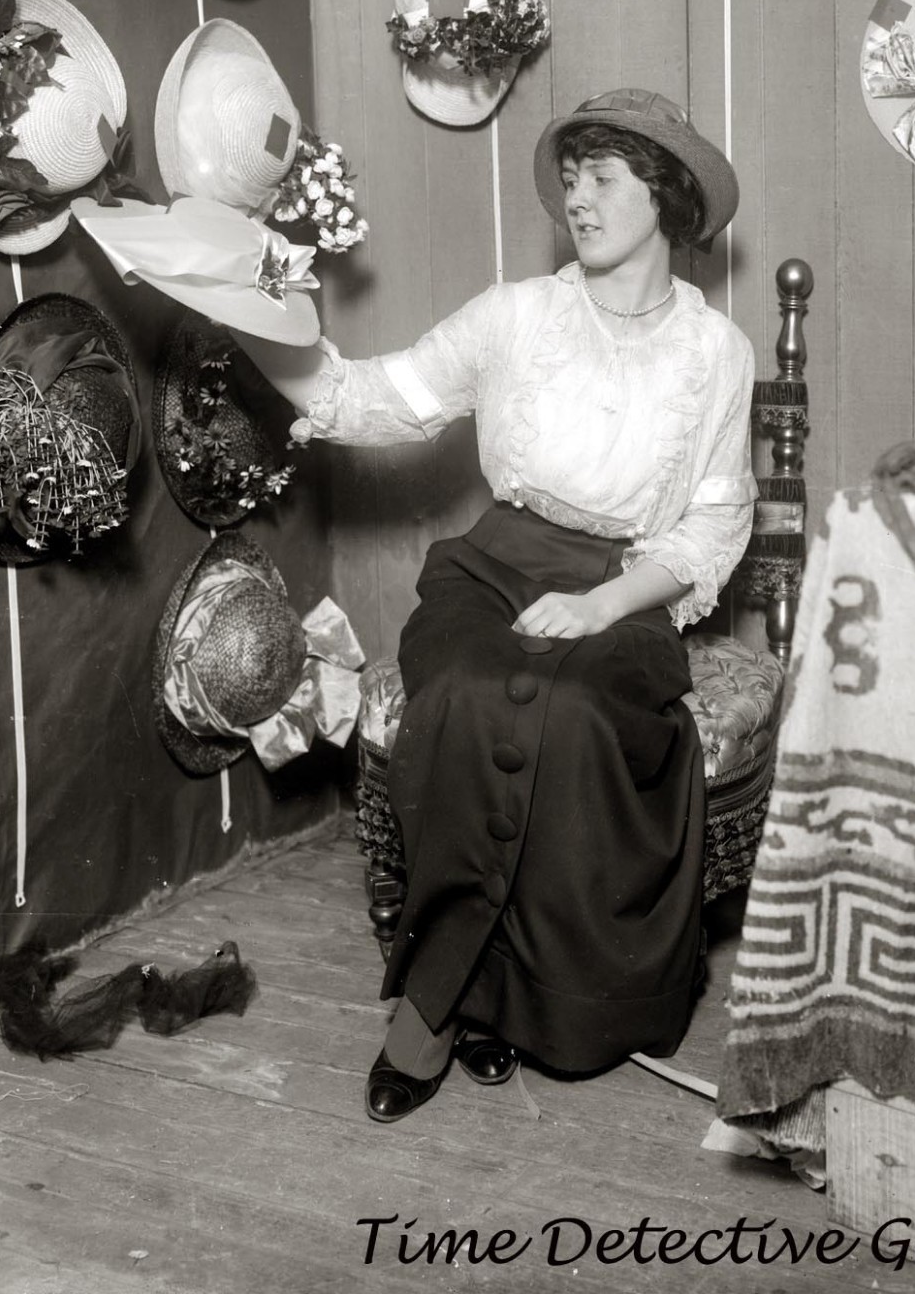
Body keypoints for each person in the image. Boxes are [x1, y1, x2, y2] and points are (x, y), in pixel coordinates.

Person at [230, 89, 757, 1122]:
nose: (579, 199)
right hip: (487, 570)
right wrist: (248, 312)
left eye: (603, 179)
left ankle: (502, 1006)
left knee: (570, 709)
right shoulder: (515, 313)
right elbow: (362, 399)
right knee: (474, 686)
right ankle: (434, 1014)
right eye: (571, 180)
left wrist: (603, 604)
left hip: (631, 590)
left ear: (666, 197)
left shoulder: (715, 354)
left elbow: (709, 530)